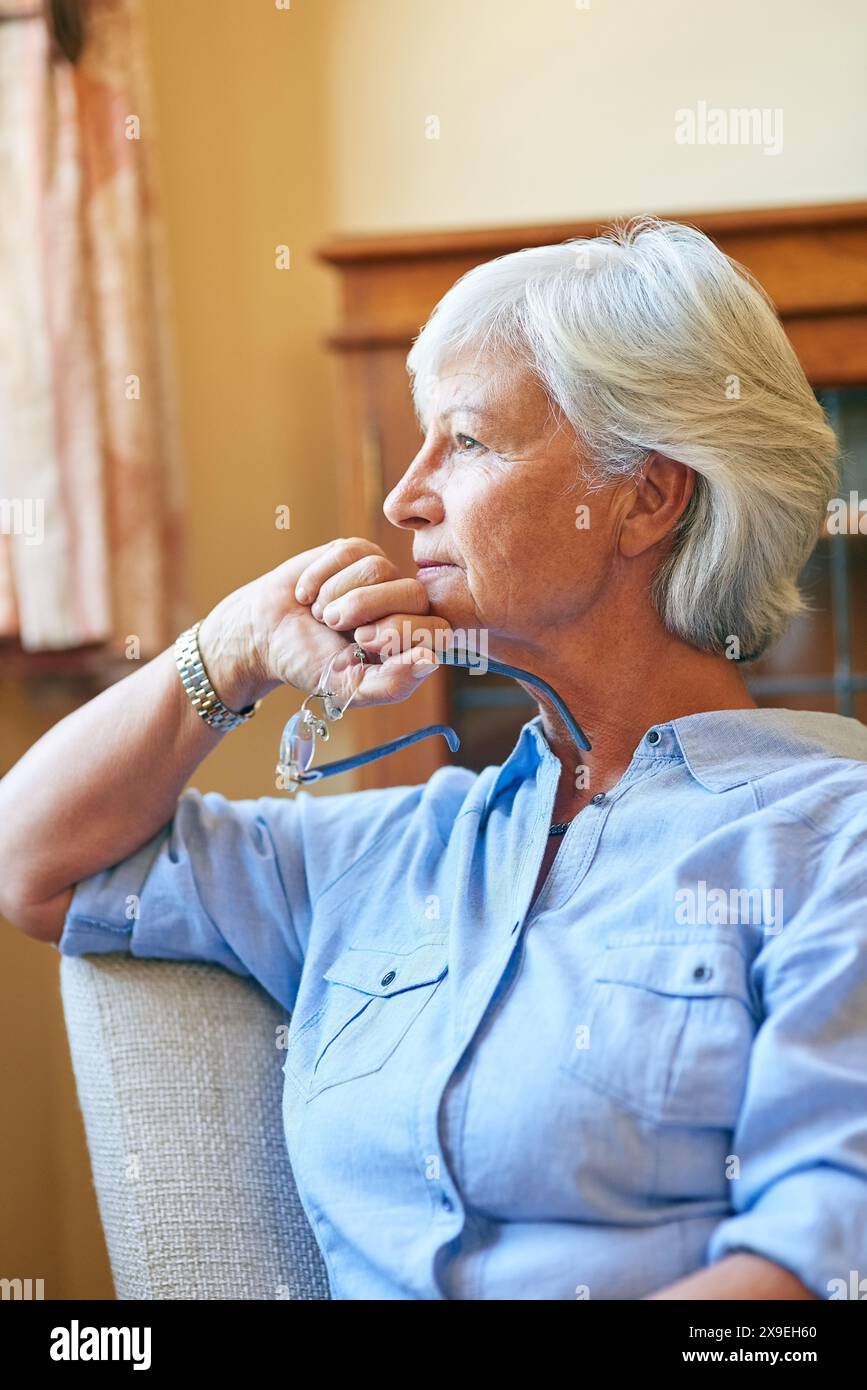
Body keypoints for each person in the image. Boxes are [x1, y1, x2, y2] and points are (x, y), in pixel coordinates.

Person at [4, 218, 866, 1300]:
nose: (403, 497)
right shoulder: (396, 848)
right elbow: (33, 862)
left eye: (465, 441)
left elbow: (819, 1271)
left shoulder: (834, 847)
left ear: (646, 498)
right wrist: (232, 646)